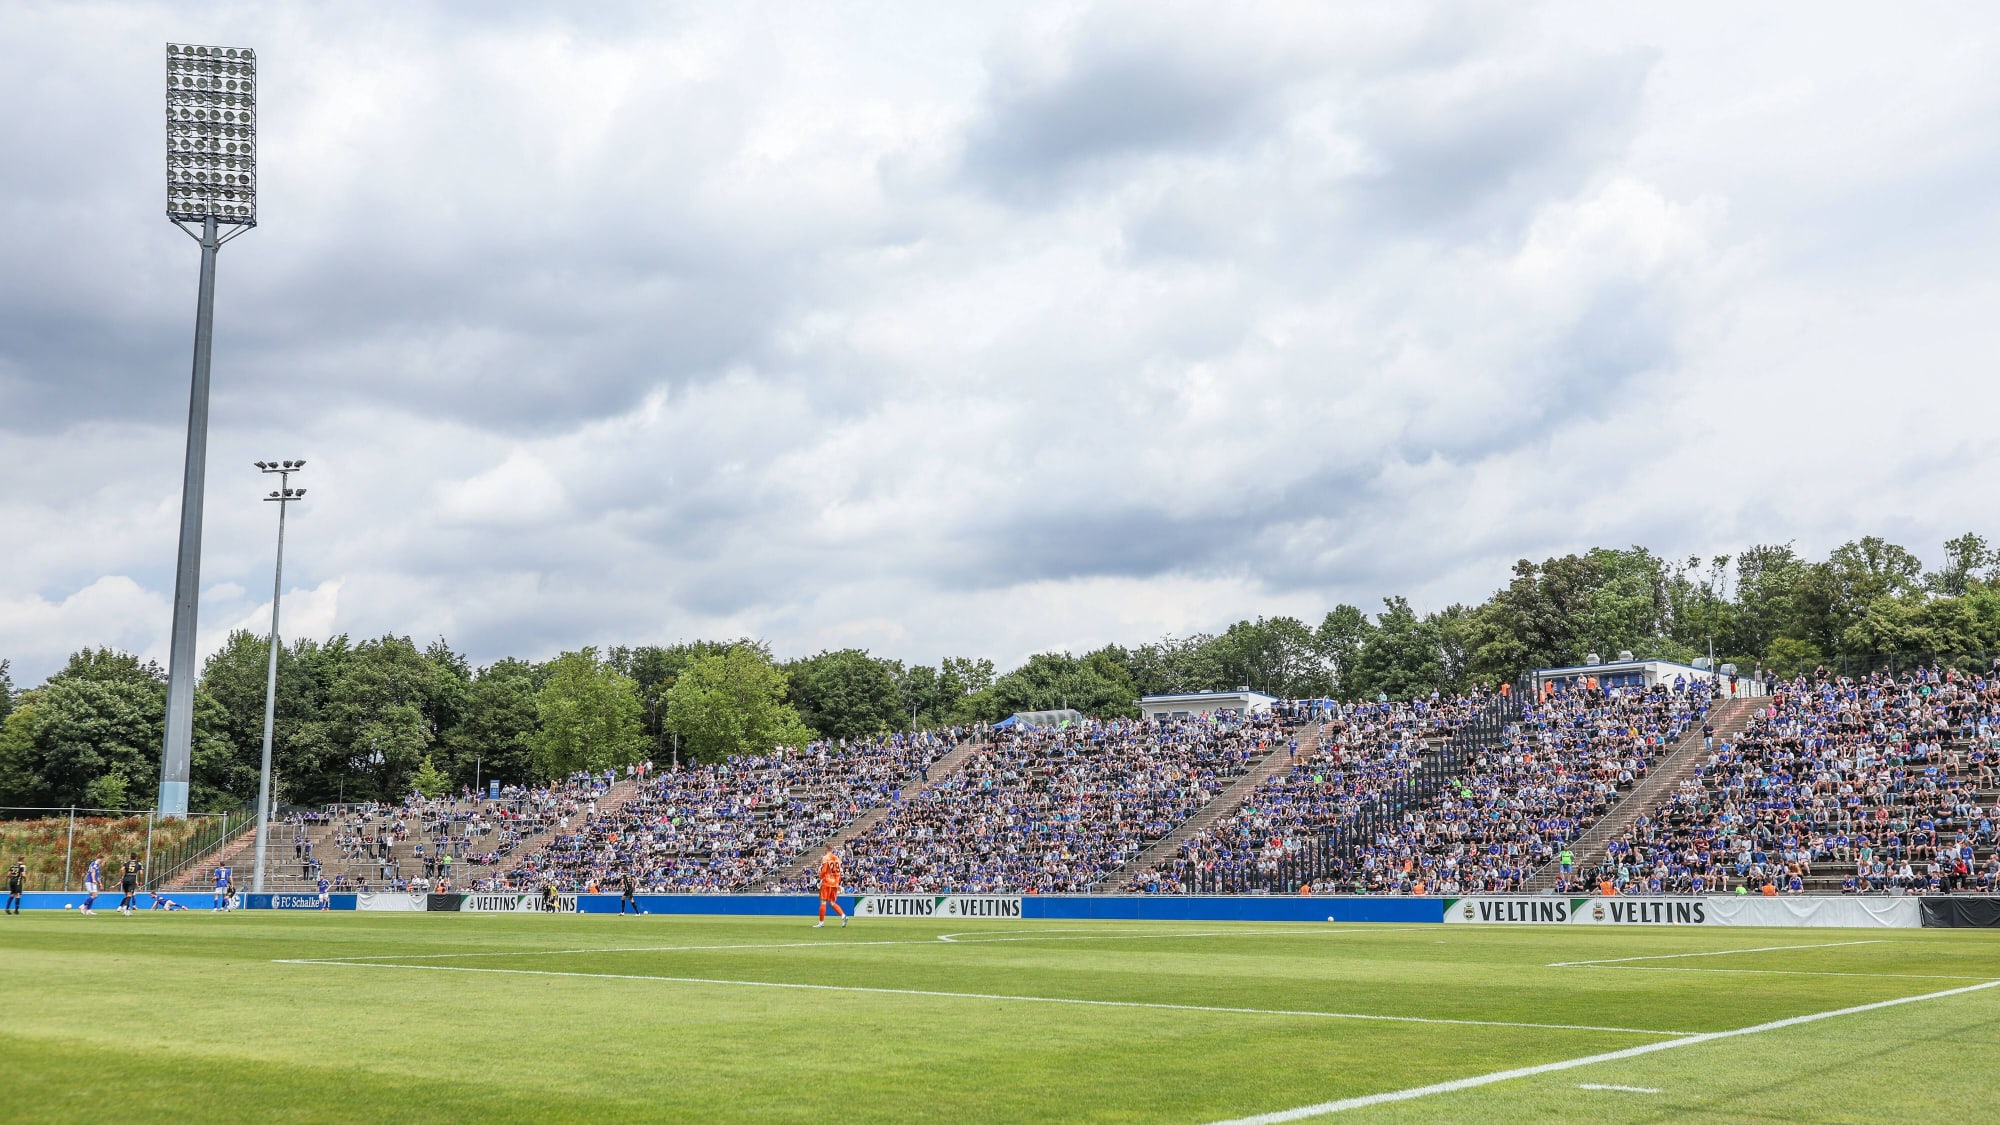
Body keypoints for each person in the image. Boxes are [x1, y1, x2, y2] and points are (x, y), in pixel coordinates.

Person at [813, 847, 847, 928]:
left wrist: (820, 877)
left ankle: (821, 922)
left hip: (827, 882)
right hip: (835, 882)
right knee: (832, 903)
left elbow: (824, 870)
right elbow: (839, 871)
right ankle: (843, 916)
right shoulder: (837, 858)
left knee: (823, 901)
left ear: (826, 849)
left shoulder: (825, 858)